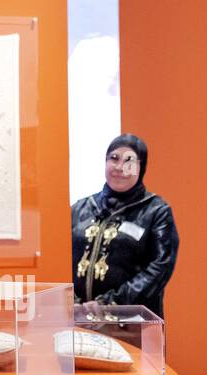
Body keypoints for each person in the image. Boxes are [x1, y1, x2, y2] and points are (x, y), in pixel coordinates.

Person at [71, 134, 179, 318]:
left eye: (129, 161)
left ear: (141, 167)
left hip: (130, 321)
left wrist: (111, 303)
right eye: (114, 159)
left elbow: (159, 268)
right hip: (78, 318)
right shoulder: (81, 207)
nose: (120, 167)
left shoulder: (156, 211)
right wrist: (72, 301)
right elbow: (58, 255)